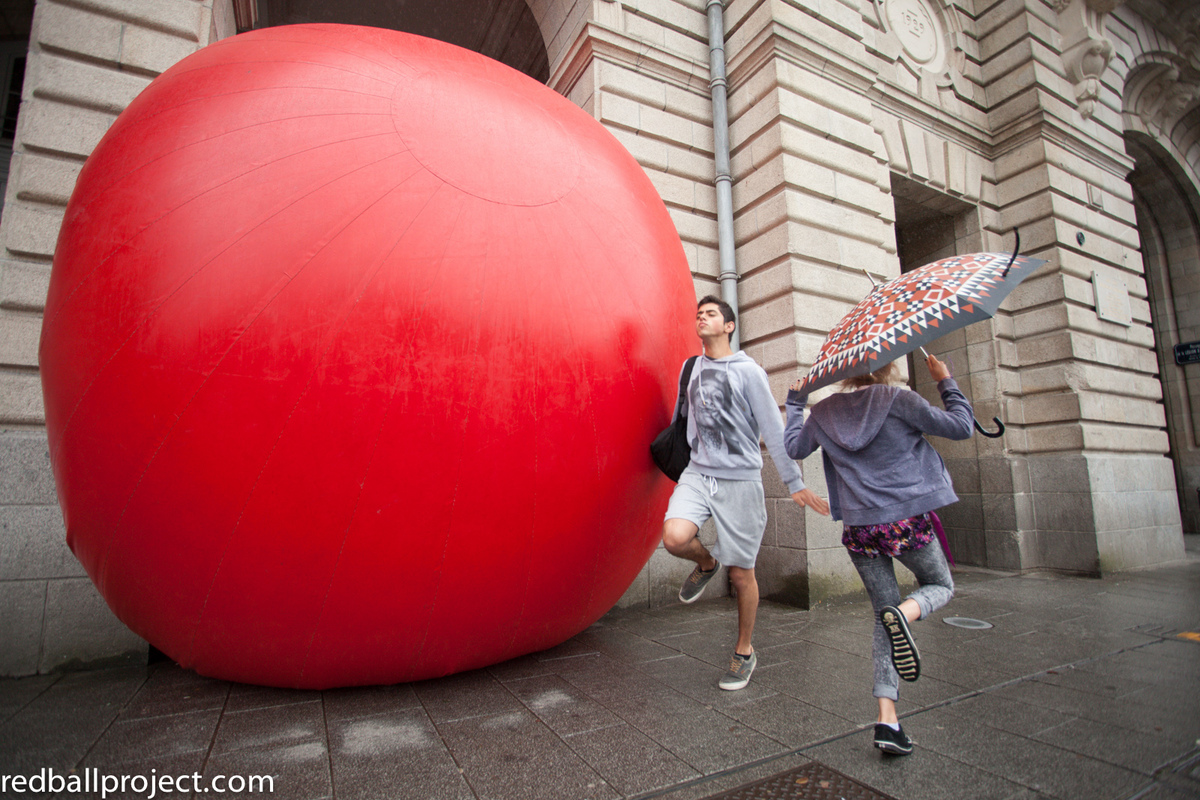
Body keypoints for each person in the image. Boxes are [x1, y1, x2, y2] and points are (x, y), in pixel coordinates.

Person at [783, 354, 972, 755]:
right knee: (939, 585)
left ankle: (888, 720)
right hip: (904, 521)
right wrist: (945, 381)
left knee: (880, 615)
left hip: (860, 529)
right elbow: (961, 428)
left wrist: (796, 402)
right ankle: (905, 614)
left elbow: (795, 449)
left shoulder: (824, 411)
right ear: (889, 366)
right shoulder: (900, 400)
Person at [663, 295, 829, 691]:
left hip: (740, 481)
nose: (701, 317)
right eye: (698, 313)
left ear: (729, 326)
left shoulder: (748, 371)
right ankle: (706, 564)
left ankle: (744, 651)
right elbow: (681, 420)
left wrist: (795, 482)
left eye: (711, 314)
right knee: (674, 537)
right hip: (699, 474)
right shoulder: (691, 367)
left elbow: (773, 427)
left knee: (742, 575)